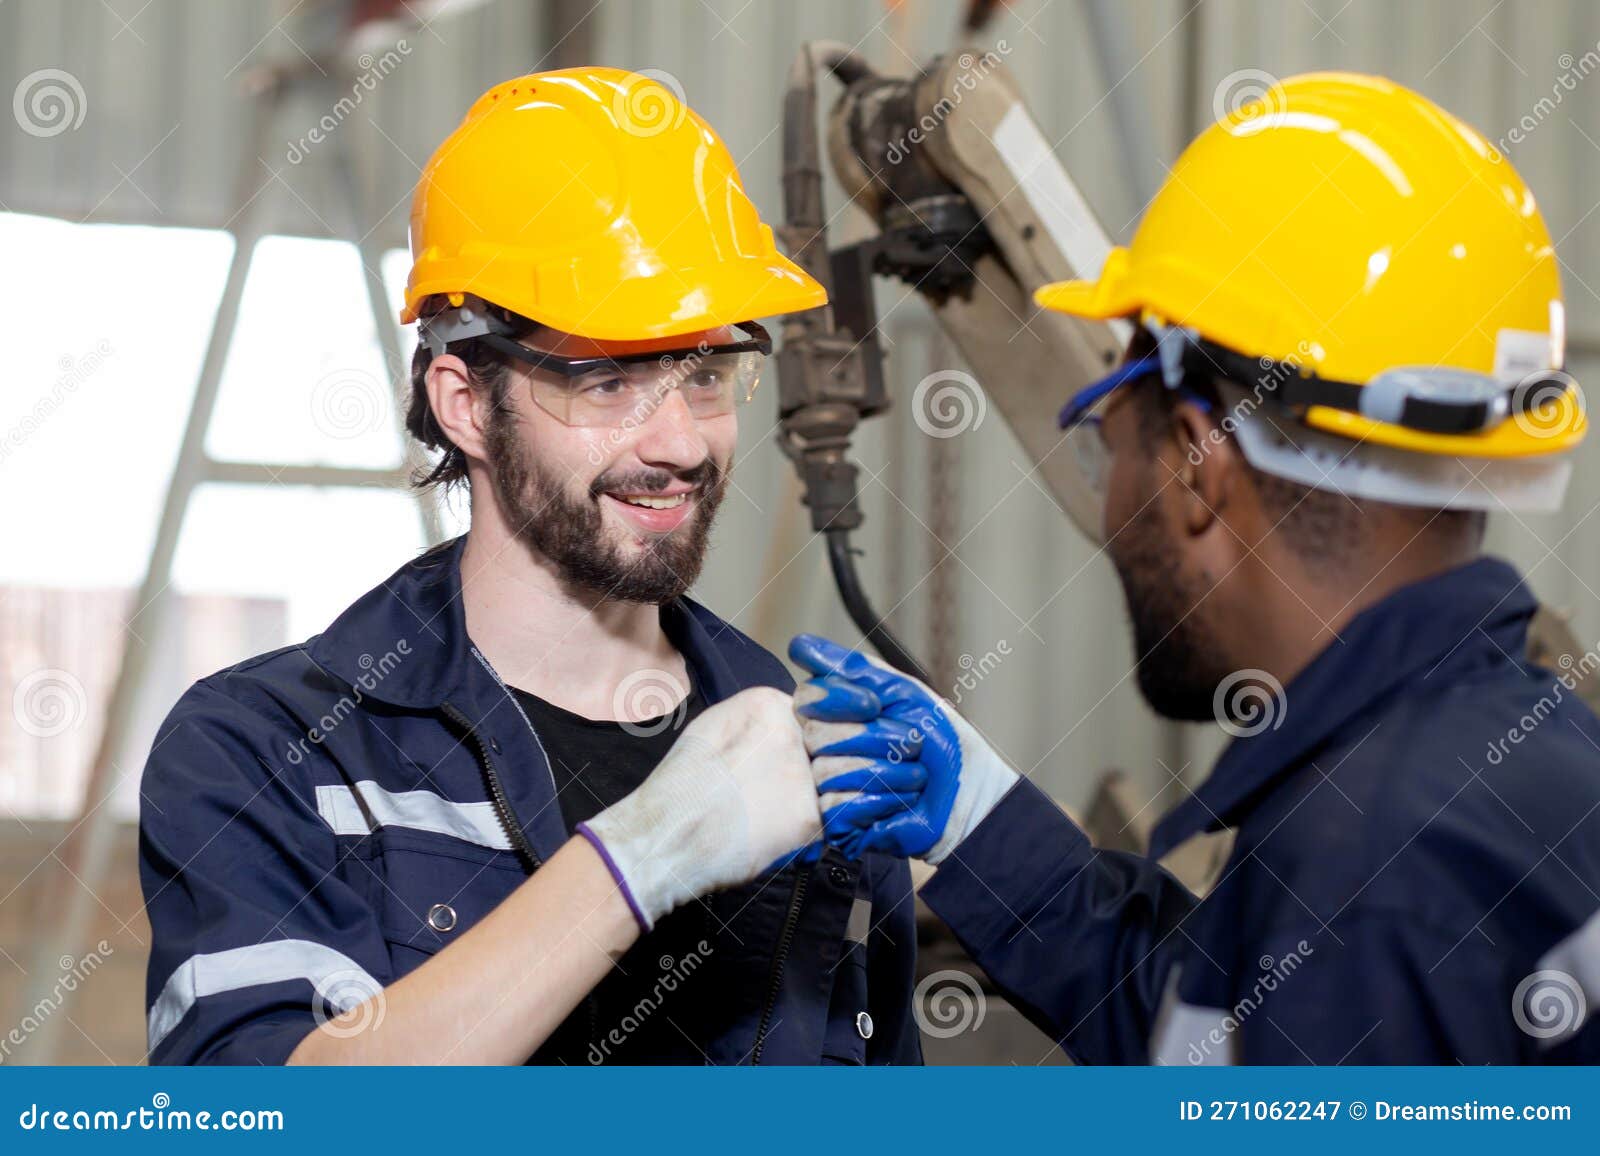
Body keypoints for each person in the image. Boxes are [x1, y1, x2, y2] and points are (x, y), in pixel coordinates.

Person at [791, 72, 1600, 1064]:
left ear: (1194, 462)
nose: (1107, 488)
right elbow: (1216, 1039)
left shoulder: (1366, 885)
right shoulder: (1531, 770)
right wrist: (979, 825)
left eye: (1111, 433)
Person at [139, 67, 920, 1066]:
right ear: (464, 400)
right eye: (608, 381)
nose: (679, 441)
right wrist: (639, 859)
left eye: (709, 374)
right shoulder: (274, 750)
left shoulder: (805, 757)